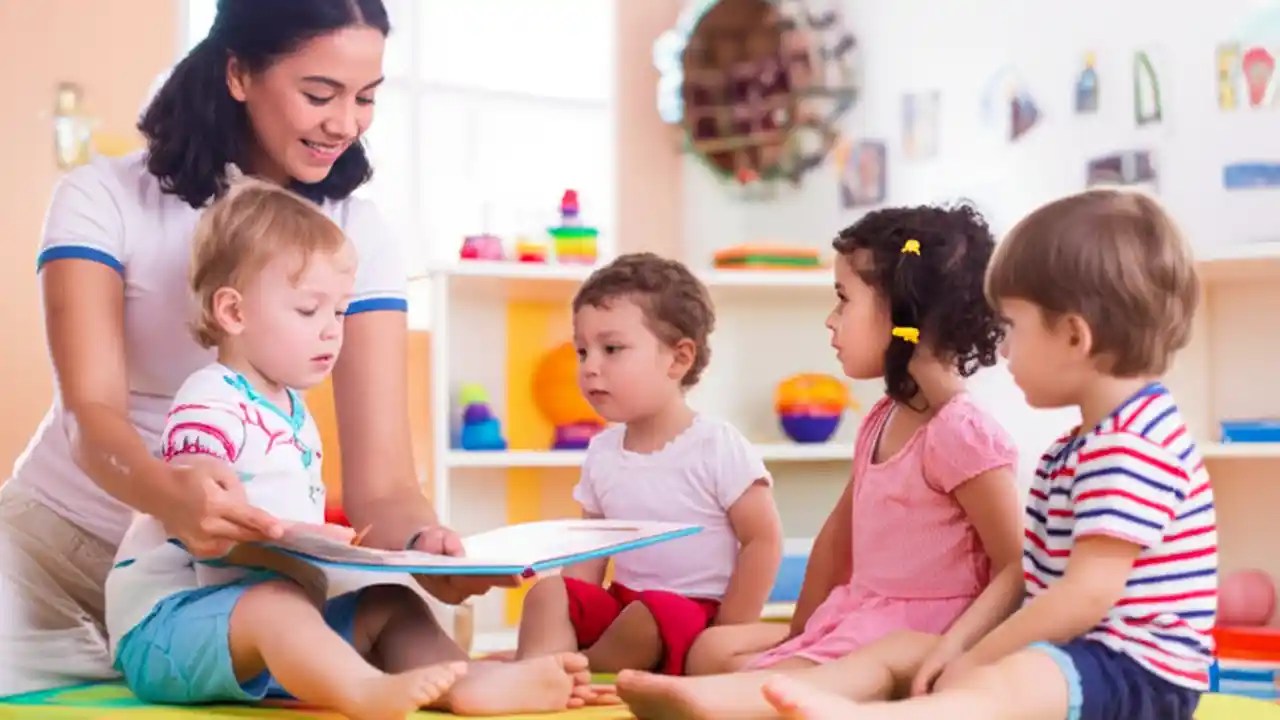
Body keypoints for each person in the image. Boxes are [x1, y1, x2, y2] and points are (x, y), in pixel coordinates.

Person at [0, 1, 592, 712]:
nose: (346, 122)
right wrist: (172, 499)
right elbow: (88, 417)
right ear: (239, 73)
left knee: (385, 609)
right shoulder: (102, 198)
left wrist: (426, 551)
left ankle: (472, 685)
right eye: (320, 94)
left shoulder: (354, 235)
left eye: (366, 97)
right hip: (50, 560)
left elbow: (382, 485)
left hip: (245, 585)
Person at [752, 189, 1215, 720]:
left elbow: (1086, 595)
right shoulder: (1076, 447)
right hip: (1078, 657)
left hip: (1140, 675)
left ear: (1073, 336)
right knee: (954, 664)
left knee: (1010, 680)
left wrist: (980, 660)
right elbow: (1026, 571)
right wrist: (957, 649)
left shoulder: (1131, 445)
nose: (1003, 348)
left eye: (1012, 328)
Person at [615, 203, 1024, 716]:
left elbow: (1014, 564)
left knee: (788, 677)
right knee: (711, 649)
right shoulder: (882, 417)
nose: (831, 322)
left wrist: (955, 651)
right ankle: (753, 686)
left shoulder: (960, 432)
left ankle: (727, 702)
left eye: (842, 301)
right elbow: (837, 538)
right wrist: (801, 631)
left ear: (902, 314)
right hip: (860, 611)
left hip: (919, 634)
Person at [106, 178, 473, 720]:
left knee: (393, 604)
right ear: (233, 312)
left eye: (340, 312)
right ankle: (364, 692)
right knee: (278, 608)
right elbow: (199, 479)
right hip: (168, 626)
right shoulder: (210, 399)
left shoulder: (290, 408)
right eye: (308, 311)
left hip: (261, 621)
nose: (331, 332)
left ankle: (470, 685)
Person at [515, 252, 784, 676]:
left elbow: (763, 541)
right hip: (623, 607)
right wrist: (571, 607)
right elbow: (590, 552)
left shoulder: (716, 445)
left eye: (612, 349)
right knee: (548, 592)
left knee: (650, 614)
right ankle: (535, 671)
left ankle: (574, 669)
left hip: (691, 615)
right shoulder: (602, 453)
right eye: (582, 352)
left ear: (678, 359)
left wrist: (730, 631)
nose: (590, 368)